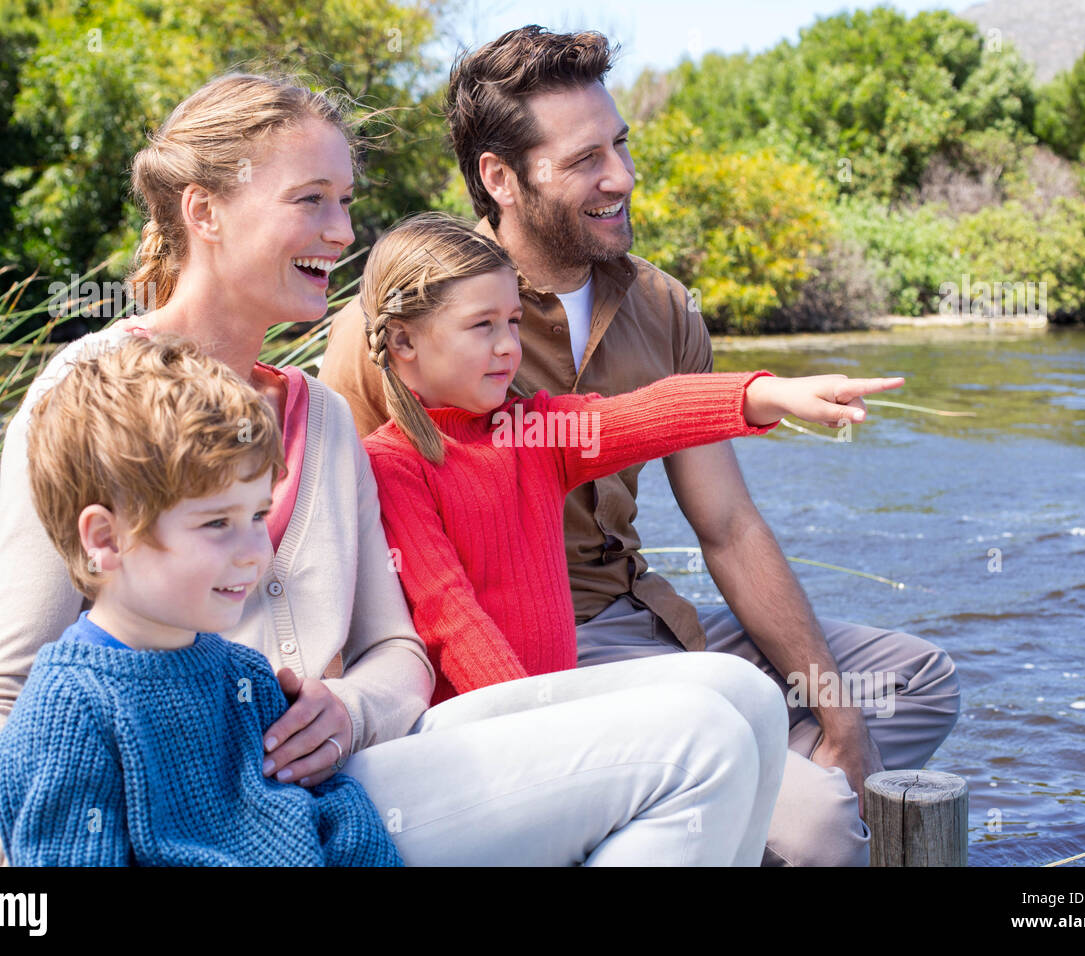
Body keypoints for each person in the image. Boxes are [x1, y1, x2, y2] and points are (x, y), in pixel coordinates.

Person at [0, 71, 788, 867]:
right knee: (701, 743)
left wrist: (349, 710)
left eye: (345, 202)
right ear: (204, 211)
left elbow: (397, 652)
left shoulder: (329, 416)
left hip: (352, 776)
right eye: (310, 201)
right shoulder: (86, 390)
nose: (344, 233)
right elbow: (4, 688)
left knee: (744, 702)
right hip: (226, 816)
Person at [318, 26, 962, 866]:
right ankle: (736, 800)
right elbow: (363, 569)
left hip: (654, 620)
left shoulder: (658, 308)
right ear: (500, 178)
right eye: (586, 159)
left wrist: (841, 724)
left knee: (915, 682)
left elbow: (721, 517)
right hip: (526, 660)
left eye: (619, 145)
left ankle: (716, 795)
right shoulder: (393, 326)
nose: (620, 177)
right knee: (820, 828)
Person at [358, 212, 905, 707]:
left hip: (546, 712)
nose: (508, 346)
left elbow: (645, 414)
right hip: (482, 736)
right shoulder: (390, 464)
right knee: (720, 716)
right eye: (483, 326)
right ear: (403, 341)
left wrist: (768, 395)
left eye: (514, 322)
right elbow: (450, 616)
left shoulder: (534, 431)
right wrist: (530, 727)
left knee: (740, 698)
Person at [0, 335, 403, 866]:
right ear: (107, 539)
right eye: (216, 524)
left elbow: (325, 813)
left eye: (257, 516)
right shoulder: (72, 715)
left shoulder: (245, 678)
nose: (257, 552)